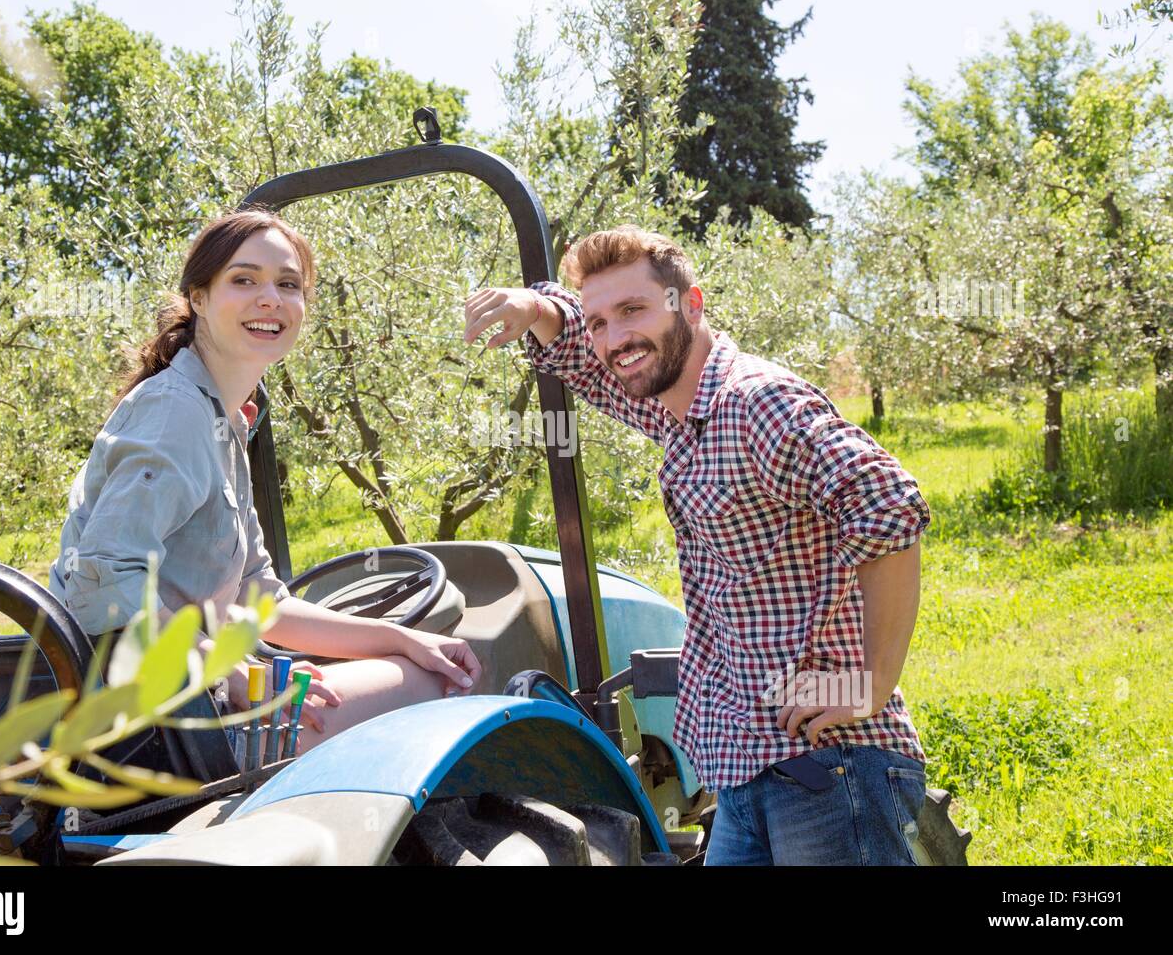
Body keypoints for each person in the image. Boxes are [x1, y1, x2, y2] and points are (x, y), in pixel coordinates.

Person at [463, 225, 931, 865]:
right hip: (746, 769)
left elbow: (888, 503)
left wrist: (870, 683)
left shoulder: (756, 404)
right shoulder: (682, 414)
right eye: (599, 322)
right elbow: (595, 366)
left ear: (690, 303)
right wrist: (538, 308)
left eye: (633, 310)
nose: (614, 338)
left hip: (827, 767)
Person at [50, 209, 480, 755]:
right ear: (199, 297)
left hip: (190, 705)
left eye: (288, 284)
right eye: (244, 280)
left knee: (419, 661)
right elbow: (104, 583)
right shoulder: (175, 412)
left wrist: (400, 637)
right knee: (439, 684)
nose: (270, 299)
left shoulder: (222, 420)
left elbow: (260, 597)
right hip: (158, 732)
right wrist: (233, 676)